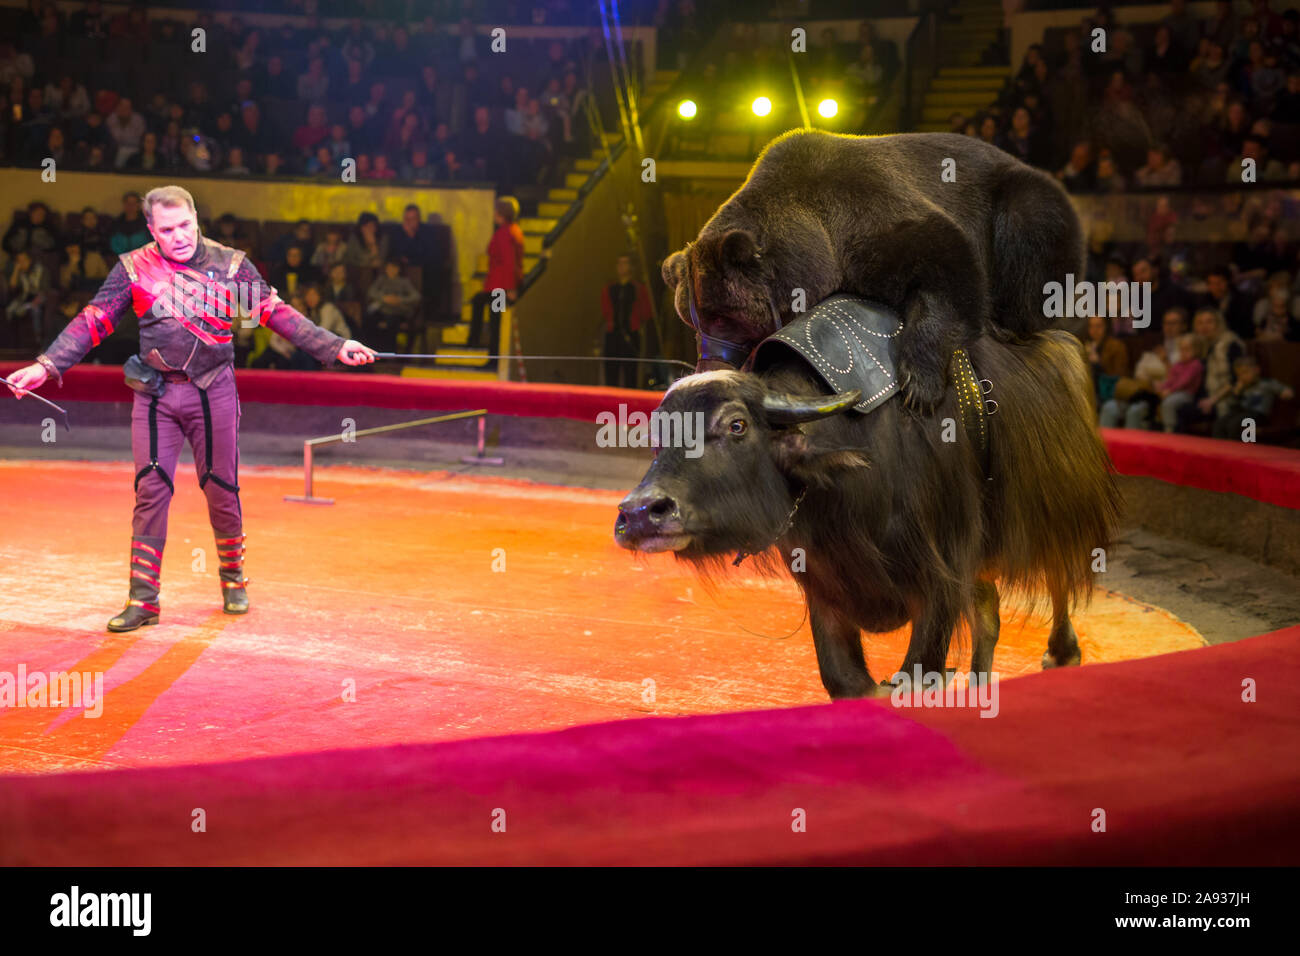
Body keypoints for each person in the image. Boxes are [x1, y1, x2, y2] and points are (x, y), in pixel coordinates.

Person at [4, 185, 377, 632]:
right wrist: (45, 366)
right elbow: (92, 322)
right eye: (166, 230)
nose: (178, 236)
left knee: (221, 487)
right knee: (150, 488)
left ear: (196, 218)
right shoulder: (132, 268)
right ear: (150, 230)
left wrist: (336, 346)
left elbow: (277, 314)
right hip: (156, 394)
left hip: (213, 390)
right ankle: (143, 600)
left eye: (185, 225)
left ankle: (233, 579)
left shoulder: (232, 264)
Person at [468, 196, 525, 353]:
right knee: (480, 303)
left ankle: (490, 352)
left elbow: (509, 262)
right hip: (498, 286)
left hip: (500, 288)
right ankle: (474, 341)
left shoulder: (505, 233)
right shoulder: (511, 231)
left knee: (495, 321)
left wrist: (511, 288)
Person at [600, 254, 652, 388]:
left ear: (631, 267)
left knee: (631, 374)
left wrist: (636, 321)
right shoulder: (609, 288)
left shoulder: (638, 288)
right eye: (619, 263)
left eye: (625, 263)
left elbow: (646, 311)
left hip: (631, 334)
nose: (621, 267)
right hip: (613, 335)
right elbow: (605, 310)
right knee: (611, 373)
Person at [1212, 355, 1295, 439]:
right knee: (1220, 423)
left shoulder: (1266, 384)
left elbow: (1285, 391)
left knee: (1235, 424)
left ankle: (1240, 448)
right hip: (1240, 412)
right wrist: (1236, 394)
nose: (1242, 377)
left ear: (1256, 370)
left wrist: (1286, 393)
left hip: (1258, 415)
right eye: (1239, 375)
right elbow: (1233, 406)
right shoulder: (1243, 388)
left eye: (1245, 372)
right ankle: (1220, 448)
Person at [365, 257, 420, 352]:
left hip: (397, 311)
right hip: (382, 310)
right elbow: (371, 292)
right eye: (389, 268)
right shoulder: (381, 280)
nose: (391, 270)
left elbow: (416, 296)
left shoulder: (404, 281)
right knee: (369, 319)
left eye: (393, 268)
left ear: (398, 269)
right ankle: (373, 350)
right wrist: (384, 298)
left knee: (392, 323)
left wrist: (399, 300)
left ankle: (390, 353)